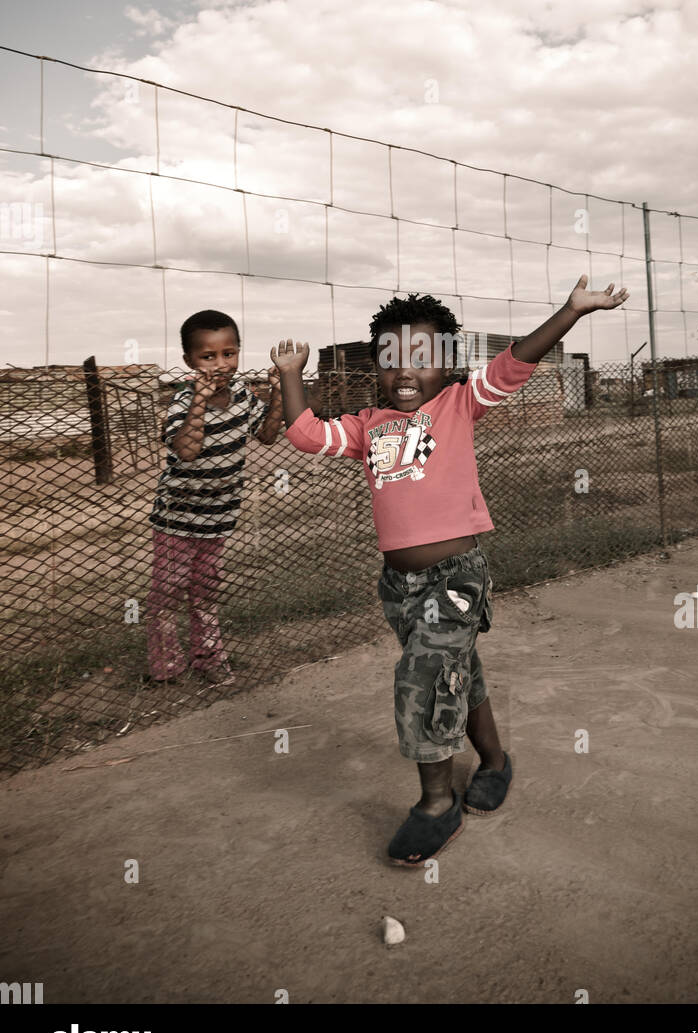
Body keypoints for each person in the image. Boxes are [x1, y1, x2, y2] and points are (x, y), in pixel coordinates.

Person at [272, 276, 628, 865]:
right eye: (391, 360)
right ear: (376, 367)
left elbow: (516, 363)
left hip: (455, 578)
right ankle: (493, 761)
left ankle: (436, 804)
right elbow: (305, 435)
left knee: (423, 677)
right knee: (458, 673)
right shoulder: (366, 424)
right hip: (400, 589)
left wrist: (571, 311)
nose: (405, 372)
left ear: (448, 365)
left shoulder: (459, 404)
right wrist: (291, 374)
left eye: (422, 359)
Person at [146, 310, 284, 685]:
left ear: (238, 353)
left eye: (229, 354)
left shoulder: (243, 396)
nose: (220, 364)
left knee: (205, 592)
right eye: (208, 357)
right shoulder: (182, 400)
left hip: (219, 515)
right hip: (178, 516)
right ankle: (166, 667)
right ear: (190, 360)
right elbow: (187, 451)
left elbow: (268, 434)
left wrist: (277, 392)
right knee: (168, 592)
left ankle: (208, 657)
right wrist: (199, 403)